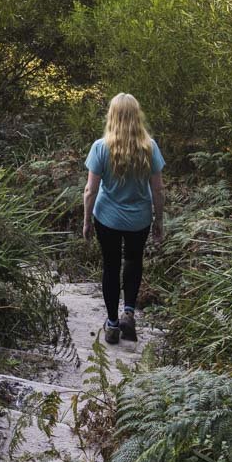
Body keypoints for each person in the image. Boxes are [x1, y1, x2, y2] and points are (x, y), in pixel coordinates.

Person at [82, 92, 164, 344]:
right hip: (139, 219)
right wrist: (158, 220)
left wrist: (86, 221)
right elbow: (158, 189)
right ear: (136, 116)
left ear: (112, 116)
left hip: (107, 218)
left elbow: (90, 190)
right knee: (133, 261)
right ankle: (128, 312)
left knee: (110, 265)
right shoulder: (149, 147)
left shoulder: (100, 147)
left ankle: (113, 324)